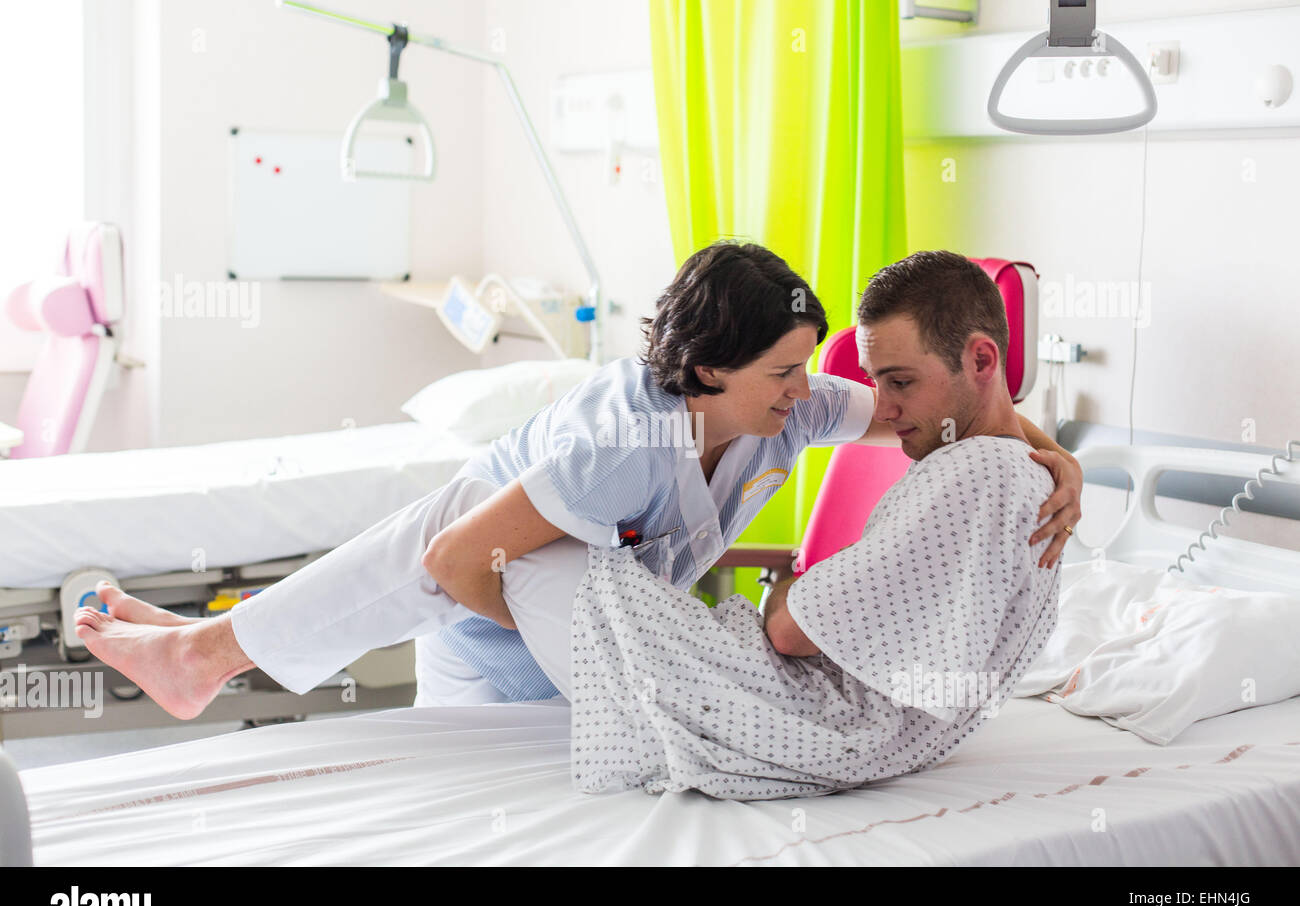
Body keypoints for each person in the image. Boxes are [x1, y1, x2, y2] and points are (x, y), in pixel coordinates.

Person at [74, 242, 1081, 720]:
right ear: (707, 372)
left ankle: (204, 647)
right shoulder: (624, 442)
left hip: (585, 634)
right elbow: (455, 561)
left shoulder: (793, 406)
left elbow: (935, 414)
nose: (811, 389)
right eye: (784, 370)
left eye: (808, 365)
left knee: (476, 535)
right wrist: (577, 616)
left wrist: (1048, 453)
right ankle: (204, 649)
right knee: (451, 529)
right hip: (492, 652)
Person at [562, 250, 1067, 798]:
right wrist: (1064, 460)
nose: (886, 409)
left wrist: (786, 593)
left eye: (900, 382)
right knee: (594, 589)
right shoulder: (1009, 468)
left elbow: (790, 631)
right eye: (876, 382)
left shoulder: (971, 472)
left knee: (604, 588)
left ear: (982, 361)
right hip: (871, 718)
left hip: (811, 706)